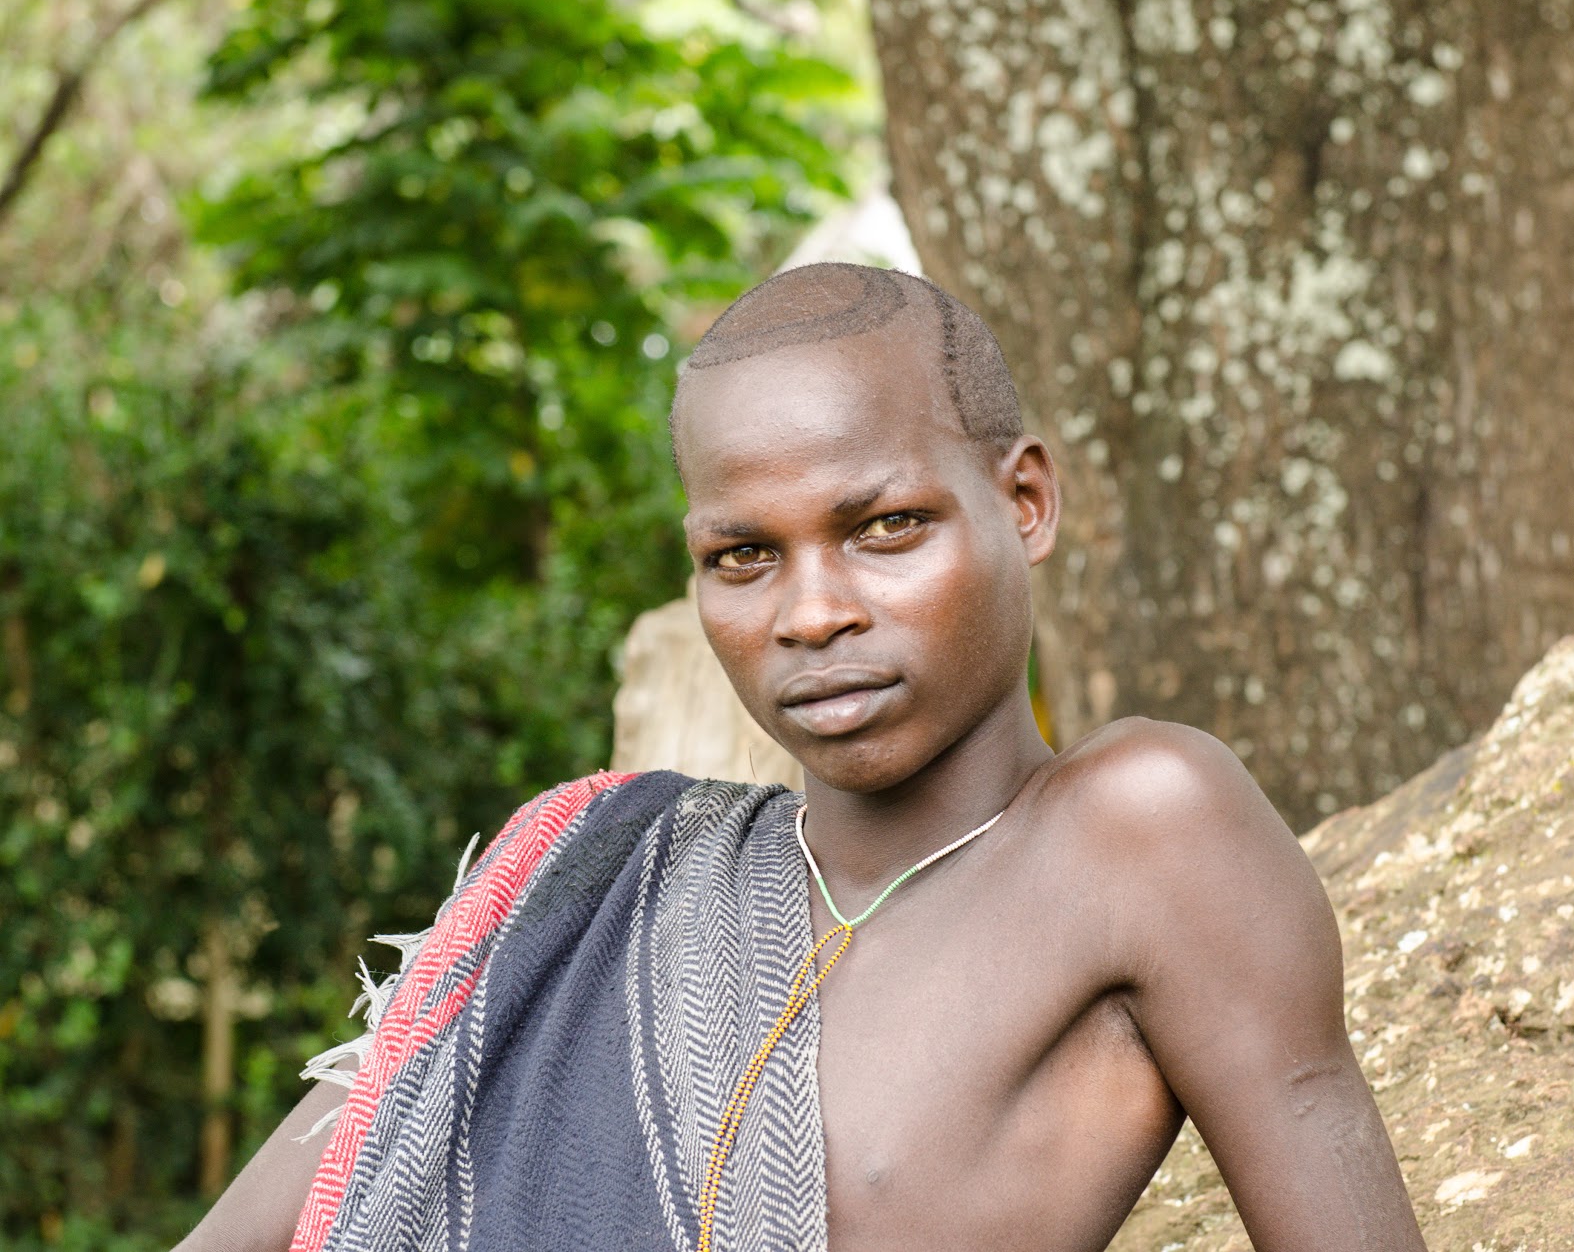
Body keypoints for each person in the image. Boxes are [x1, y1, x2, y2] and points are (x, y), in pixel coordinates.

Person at [178, 262, 1427, 1252]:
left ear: (1026, 501)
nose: (811, 612)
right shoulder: (595, 884)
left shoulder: (1139, 832)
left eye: (885, 528)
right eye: (743, 556)